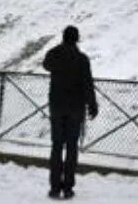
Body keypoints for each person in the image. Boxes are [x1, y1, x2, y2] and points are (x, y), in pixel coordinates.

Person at [42, 26, 98, 200]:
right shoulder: (82, 59)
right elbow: (88, 83)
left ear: (64, 37)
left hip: (57, 106)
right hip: (75, 108)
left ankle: (54, 187)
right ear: (77, 39)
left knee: (57, 146)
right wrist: (92, 104)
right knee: (72, 147)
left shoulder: (54, 54)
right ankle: (68, 188)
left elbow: (46, 65)